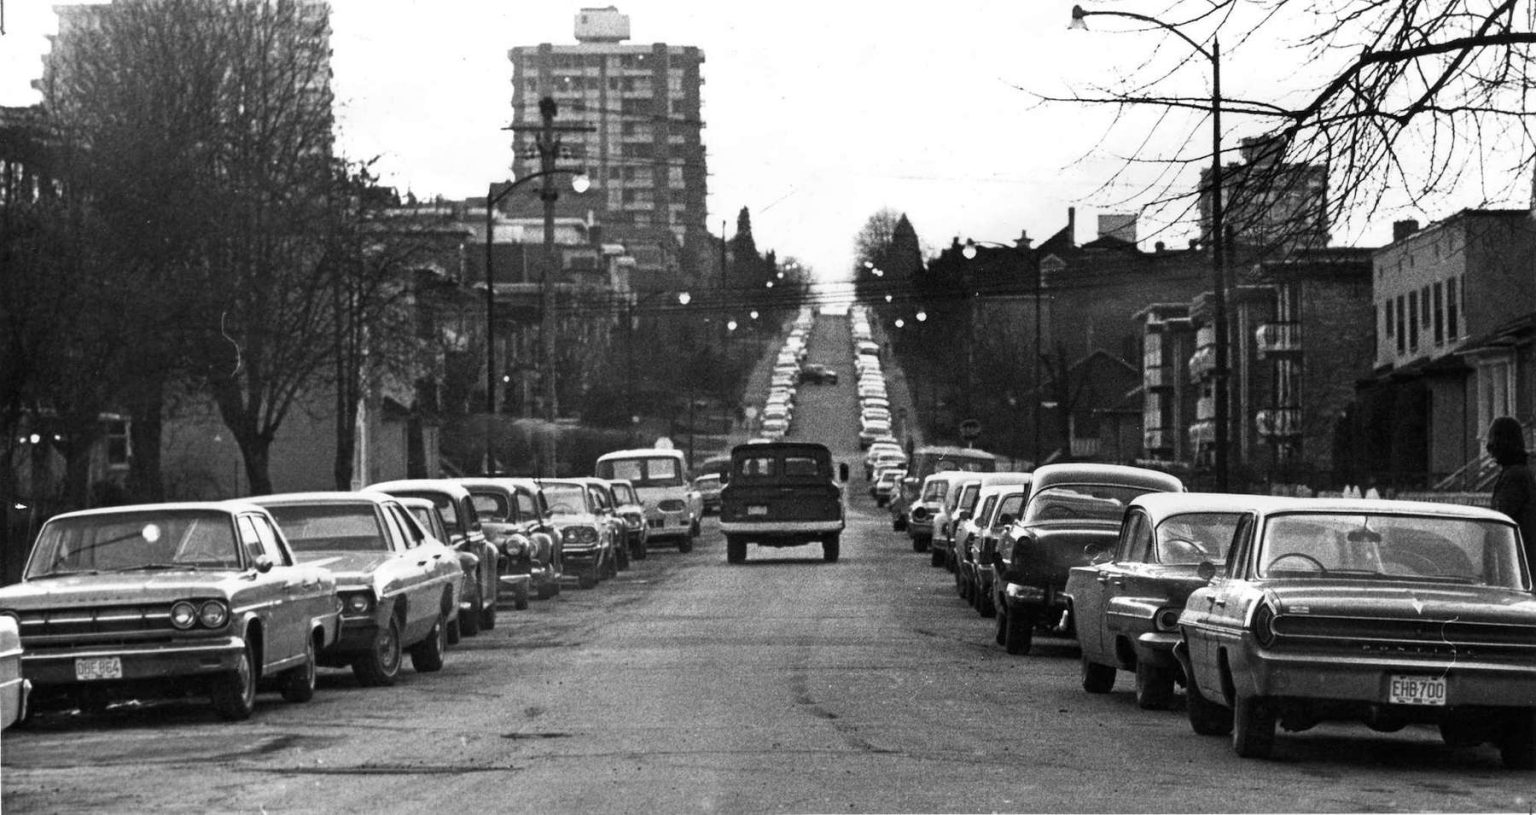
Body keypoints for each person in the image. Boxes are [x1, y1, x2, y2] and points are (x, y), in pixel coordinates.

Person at [1486, 416, 1536, 570]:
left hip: (1517, 560)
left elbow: (1500, 518)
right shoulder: (1521, 473)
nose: (1490, 447)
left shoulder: (1514, 477)